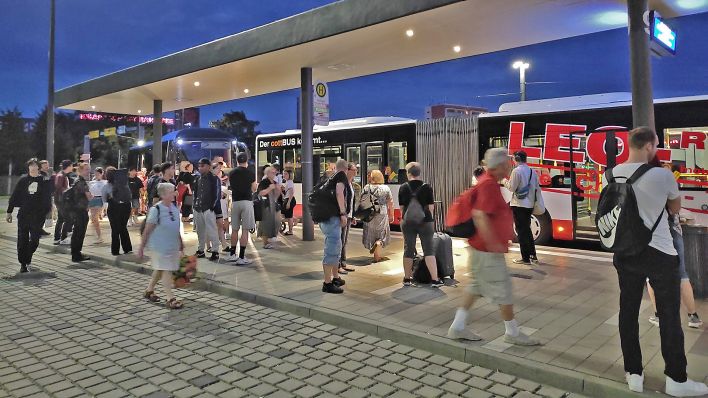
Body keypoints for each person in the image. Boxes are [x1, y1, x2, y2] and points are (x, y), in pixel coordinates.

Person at [603, 127, 707, 396]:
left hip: (625, 252)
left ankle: (633, 373)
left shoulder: (610, 174)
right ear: (649, 146)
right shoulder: (662, 175)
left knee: (628, 311)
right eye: (657, 145)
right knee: (670, 316)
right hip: (660, 253)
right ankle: (676, 380)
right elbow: (674, 208)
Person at [446, 148, 541, 346]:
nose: (510, 165)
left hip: (481, 249)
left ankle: (458, 327)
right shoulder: (489, 185)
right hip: (487, 251)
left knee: (475, 287)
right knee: (504, 289)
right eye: (507, 162)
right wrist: (493, 244)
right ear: (498, 166)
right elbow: (480, 215)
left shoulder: (488, 183)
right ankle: (512, 332)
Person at [138, 182, 184, 310]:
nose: (174, 193)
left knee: (160, 269)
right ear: (163, 195)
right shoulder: (156, 210)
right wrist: (141, 247)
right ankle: (170, 298)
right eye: (171, 191)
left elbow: (176, 228)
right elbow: (147, 230)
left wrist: (181, 244)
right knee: (166, 270)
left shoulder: (174, 209)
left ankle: (149, 290)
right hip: (159, 246)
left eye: (174, 191)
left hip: (171, 245)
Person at [398, 162, 443, 287]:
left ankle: (407, 279)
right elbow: (431, 207)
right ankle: (434, 279)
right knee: (429, 250)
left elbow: (402, 208)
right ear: (419, 173)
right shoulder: (427, 187)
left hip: (408, 223)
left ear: (408, 173)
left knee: (408, 249)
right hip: (425, 222)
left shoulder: (403, 187)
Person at [6, 158, 52, 273]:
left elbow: (47, 199)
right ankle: (23, 264)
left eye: (34, 165)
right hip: (24, 215)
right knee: (22, 240)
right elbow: (15, 195)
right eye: (30, 165)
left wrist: (48, 214)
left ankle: (27, 257)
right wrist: (9, 212)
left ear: (38, 167)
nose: (32, 167)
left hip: (37, 216)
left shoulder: (44, 181)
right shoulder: (23, 180)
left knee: (35, 240)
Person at [319, 159, 349, 294]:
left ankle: (335, 277)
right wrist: (343, 213)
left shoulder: (331, 177)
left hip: (327, 218)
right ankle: (327, 283)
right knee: (332, 248)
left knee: (335, 246)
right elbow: (339, 193)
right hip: (332, 218)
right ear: (346, 168)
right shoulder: (341, 176)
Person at [504, 151, 540, 265]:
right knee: (527, 230)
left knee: (521, 232)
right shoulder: (532, 171)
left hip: (519, 205)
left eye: (513, 158)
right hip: (529, 205)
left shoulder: (516, 171)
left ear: (517, 159)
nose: (513, 161)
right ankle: (533, 255)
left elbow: (511, 187)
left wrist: (503, 181)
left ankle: (525, 258)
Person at [227, 152, 256, 264]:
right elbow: (254, 188)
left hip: (235, 202)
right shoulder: (250, 173)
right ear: (246, 161)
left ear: (237, 161)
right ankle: (242, 257)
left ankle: (232, 254)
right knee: (245, 230)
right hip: (246, 202)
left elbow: (230, 185)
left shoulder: (232, 173)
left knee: (234, 229)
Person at [362, 170, 394, 263]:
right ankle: (378, 250)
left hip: (370, 213)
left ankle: (375, 250)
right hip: (382, 213)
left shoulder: (367, 187)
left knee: (371, 232)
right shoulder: (386, 188)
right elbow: (390, 203)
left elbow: (362, 200)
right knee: (381, 233)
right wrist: (391, 215)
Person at [192, 158, 221, 261]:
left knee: (212, 230)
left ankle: (215, 251)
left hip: (208, 208)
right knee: (200, 231)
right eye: (199, 165)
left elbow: (217, 194)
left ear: (208, 166)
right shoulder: (197, 179)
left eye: (202, 165)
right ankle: (200, 250)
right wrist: (194, 206)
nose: (200, 167)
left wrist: (212, 207)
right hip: (198, 208)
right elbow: (195, 193)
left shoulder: (214, 179)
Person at [102, 167, 133, 256]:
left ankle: (115, 251)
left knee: (115, 230)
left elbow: (104, 200)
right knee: (123, 227)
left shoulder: (106, 186)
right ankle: (127, 248)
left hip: (113, 208)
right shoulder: (124, 184)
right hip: (126, 207)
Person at [338, 163, 359, 274]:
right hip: (343, 216)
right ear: (348, 170)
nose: (356, 172)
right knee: (340, 240)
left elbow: (351, 201)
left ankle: (343, 263)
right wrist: (342, 214)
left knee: (344, 241)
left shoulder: (350, 184)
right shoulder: (343, 184)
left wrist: (353, 215)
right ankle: (338, 265)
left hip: (349, 215)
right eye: (354, 170)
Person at [70, 162, 92, 262]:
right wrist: (92, 196)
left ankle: (75, 253)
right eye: (87, 169)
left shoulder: (76, 180)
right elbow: (89, 196)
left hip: (76, 210)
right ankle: (76, 254)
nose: (89, 171)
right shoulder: (82, 182)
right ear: (81, 170)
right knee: (79, 233)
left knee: (76, 233)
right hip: (81, 211)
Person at [257, 166, 280, 249]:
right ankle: (265, 242)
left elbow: (276, 196)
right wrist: (269, 188)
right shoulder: (264, 182)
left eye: (275, 172)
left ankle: (270, 239)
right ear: (267, 173)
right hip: (265, 205)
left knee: (275, 222)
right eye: (272, 172)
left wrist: (278, 190)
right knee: (265, 224)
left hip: (273, 205)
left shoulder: (274, 182)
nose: (274, 174)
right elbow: (260, 193)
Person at [53, 160, 75, 245]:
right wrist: (69, 191)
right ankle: (63, 238)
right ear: (68, 166)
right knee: (68, 219)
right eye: (72, 166)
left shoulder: (62, 175)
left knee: (61, 219)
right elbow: (59, 188)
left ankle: (57, 238)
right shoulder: (61, 176)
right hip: (61, 201)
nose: (72, 167)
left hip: (60, 200)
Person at [88, 167, 107, 244]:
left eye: (98, 173)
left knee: (95, 217)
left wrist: (105, 204)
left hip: (100, 200)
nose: (97, 175)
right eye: (95, 173)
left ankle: (100, 237)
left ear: (102, 174)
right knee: (93, 219)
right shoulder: (92, 182)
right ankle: (98, 236)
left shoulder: (105, 182)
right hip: (92, 200)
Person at [280, 169, 296, 235]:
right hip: (289, 199)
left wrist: (288, 202)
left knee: (287, 216)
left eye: (286, 174)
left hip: (289, 200)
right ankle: (291, 228)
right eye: (283, 173)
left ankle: (290, 230)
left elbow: (291, 192)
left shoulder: (289, 182)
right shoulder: (288, 182)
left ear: (290, 175)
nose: (284, 175)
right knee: (288, 216)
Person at [39, 160, 52, 235]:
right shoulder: (40, 175)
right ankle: (36, 230)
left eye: (48, 165)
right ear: (41, 166)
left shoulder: (46, 174)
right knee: (40, 216)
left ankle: (40, 229)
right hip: (41, 200)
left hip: (47, 198)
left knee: (44, 215)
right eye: (45, 165)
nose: (48, 166)